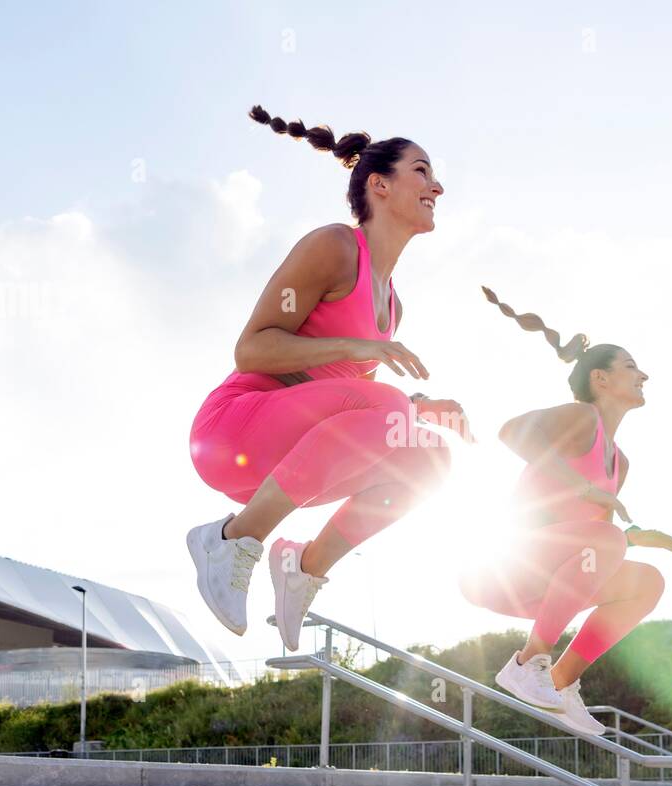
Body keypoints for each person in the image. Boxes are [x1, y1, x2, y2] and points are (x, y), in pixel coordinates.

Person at [187, 105, 471, 651]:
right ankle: (229, 541)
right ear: (380, 185)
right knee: (392, 407)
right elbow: (251, 349)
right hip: (234, 428)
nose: (437, 185)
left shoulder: (393, 307)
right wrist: (357, 346)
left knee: (429, 457)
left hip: (288, 463)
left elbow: (344, 396)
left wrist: (420, 407)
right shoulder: (336, 247)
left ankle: (303, 565)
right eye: (421, 170)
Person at [459, 287, 672, 735]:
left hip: (549, 580)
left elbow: (596, 534)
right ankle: (527, 663)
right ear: (600, 379)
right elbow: (510, 432)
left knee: (647, 582)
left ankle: (561, 684)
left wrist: (638, 535)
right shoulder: (582, 417)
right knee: (609, 541)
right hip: (502, 570)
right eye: (630, 367)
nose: (644, 375)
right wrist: (584, 487)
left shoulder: (620, 462)